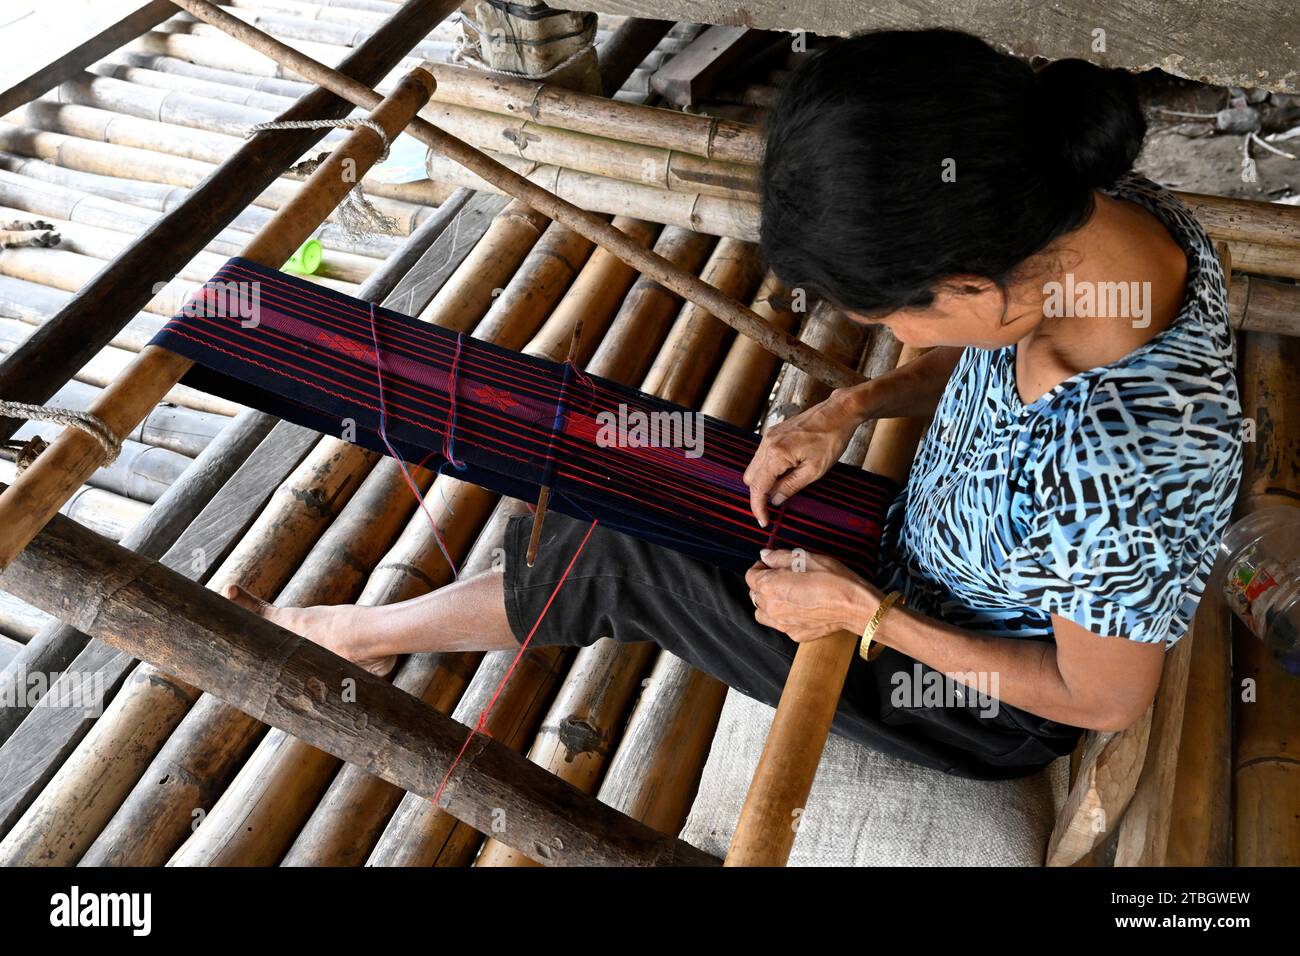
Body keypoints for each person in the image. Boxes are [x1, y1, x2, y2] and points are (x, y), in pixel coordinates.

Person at [227, 29, 1242, 779]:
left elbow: (1102, 694)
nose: (897, 336)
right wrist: (853, 407)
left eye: (898, 319)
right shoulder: (1092, 213)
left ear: (971, 290)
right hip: (913, 538)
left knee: (619, 550)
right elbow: (991, 352)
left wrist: (866, 612)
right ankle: (454, 603)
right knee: (627, 463)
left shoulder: (1127, 456)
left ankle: (357, 633)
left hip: (972, 694)